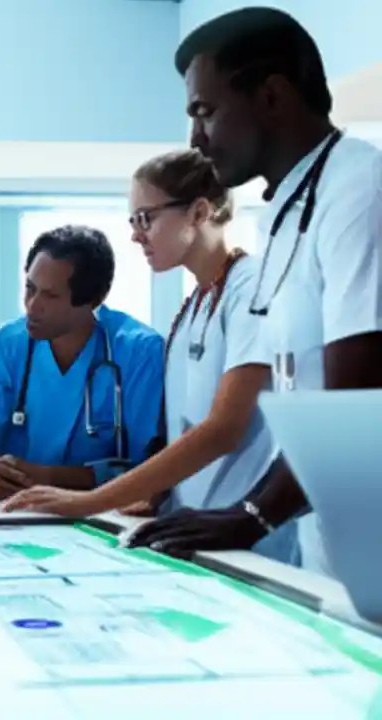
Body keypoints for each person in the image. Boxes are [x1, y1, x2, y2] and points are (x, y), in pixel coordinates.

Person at [126, 7, 382, 573]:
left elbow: (358, 390)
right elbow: (300, 398)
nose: (196, 137)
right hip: (323, 542)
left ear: (271, 96)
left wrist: (254, 514)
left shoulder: (361, 188)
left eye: (206, 112)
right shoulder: (286, 215)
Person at [1, 150, 296, 562]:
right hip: (194, 534)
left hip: (252, 545)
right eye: (133, 221)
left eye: (146, 218)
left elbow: (223, 430)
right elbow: (184, 431)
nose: (136, 235)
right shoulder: (193, 307)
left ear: (198, 212)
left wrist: (90, 500)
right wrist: (156, 492)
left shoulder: (250, 290)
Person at [0, 225, 165, 500]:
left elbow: (148, 468)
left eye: (50, 296)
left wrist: (47, 477)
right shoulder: (3, 345)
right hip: (10, 510)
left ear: (94, 299)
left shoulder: (139, 351)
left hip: (102, 512)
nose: (32, 306)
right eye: (30, 289)